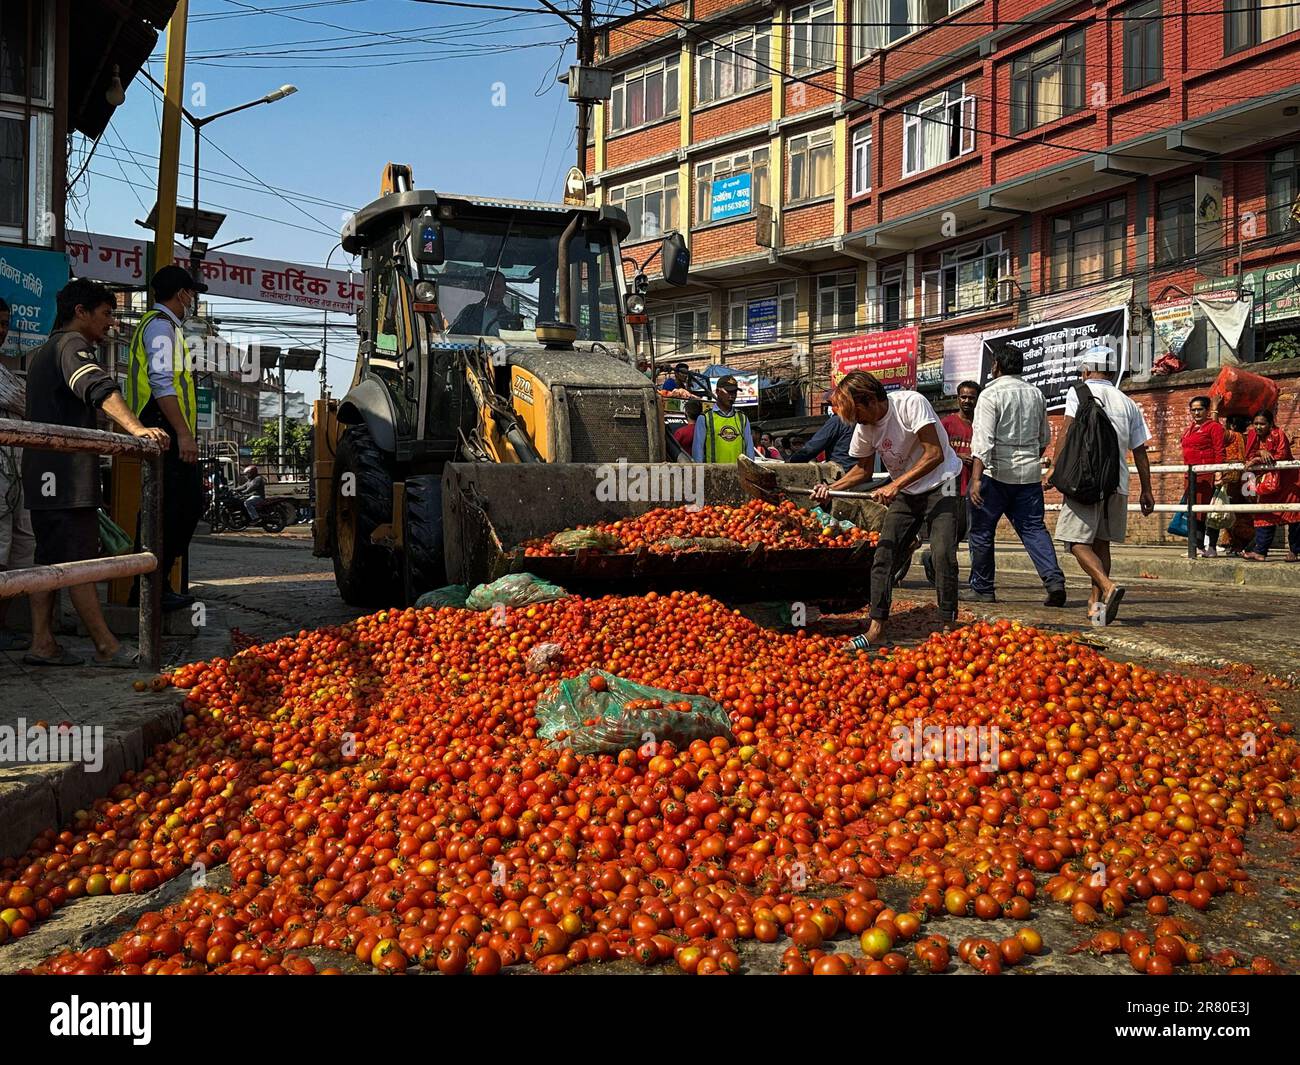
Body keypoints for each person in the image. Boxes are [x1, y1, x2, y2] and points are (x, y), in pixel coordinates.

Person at [22, 280, 171, 667]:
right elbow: (98, 389)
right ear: (81, 312)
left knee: (49, 560)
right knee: (79, 560)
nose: (110, 323)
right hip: (66, 475)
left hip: (42, 473)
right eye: (105, 314)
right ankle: (107, 645)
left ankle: (42, 642)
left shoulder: (42, 352)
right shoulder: (72, 346)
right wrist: (137, 431)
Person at [811, 371, 962, 647]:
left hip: (943, 483)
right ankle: (877, 628)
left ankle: (949, 623)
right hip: (907, 490)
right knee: (883, 555)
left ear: (869, 400)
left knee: (942, 553)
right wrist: (829, 489)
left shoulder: (910, 404)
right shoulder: (864, 428)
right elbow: (863, 470)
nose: (859, 423)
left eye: (858, 414)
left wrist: (895, 484)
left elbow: (934, 454)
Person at [1052, 347, 1155, 626]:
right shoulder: (1128, 402)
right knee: (1101, 544)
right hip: (1117, 483)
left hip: (1085, 482)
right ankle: (1096, 610)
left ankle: (1107, 585)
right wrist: (1147, 490)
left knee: (1074, 541)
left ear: (1086, 370)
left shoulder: (1079, 392)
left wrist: (1055, 468)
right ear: (1112, 372)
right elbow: (1140, 451)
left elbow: (1067, 431)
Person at [126, 264, 206, 612]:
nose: (192, 300)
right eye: (191, 294)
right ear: (182, 294)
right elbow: (162, 385)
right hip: (163, 426)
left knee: (168, 508)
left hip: (162, 425)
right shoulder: (160, 329)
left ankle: (152, 587)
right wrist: (184, 434)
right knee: (176, 508)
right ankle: (150, 587)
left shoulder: (162, 327)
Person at [966, 353, 1067, 606]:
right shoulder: (1036, 394)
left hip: (995, 475)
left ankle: (983, 588)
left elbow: (983, 441)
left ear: (997, 366)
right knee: (1034, 529)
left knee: (981, 532)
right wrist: (1029, 461)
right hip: (1029, 477)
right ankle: (1054, 580)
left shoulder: (990, 394)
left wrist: (975, 479)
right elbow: (1044, 438)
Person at [917, 380, 983, 587]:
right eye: (963, 397)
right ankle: (940, 568)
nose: (967, 401)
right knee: (949, 534)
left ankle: (937, 562)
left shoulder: (981, 425)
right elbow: (932, 450)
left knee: (969, 533)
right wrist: (958, 456)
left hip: (973, 487)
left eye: (971, 397)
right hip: (949, 485)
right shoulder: (946, 424)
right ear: (957, 398)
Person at [0, 296, 37, 651]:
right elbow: (26, 402)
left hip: (19, 469)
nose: (1, 331)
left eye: (4, 324)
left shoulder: (5, 371)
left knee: (22, 547)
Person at [1242, 408, 1300, 562]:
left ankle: (1294, 552)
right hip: (1267, 483)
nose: (1259, 427)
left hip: (1289, 482)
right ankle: (1260, 551)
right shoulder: (1253, 435)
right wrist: (1261, 453)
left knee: (1294, 515)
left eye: (1262, 424)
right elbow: (1248, 456)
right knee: (1264, 514)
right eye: (1256, 424)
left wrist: (1259, 458)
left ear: (1270, 424)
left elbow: (1282, 455)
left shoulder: (1278, 434)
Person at [1180, 395, 1226, 558]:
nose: (1196, 413)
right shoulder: (1189, 429)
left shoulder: (1214, 427)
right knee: (1194, 513)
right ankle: (1197, 546)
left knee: (1210, 512)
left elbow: (1219, 450)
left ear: (1207, 411)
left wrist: (1218, 472)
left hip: (1208, 475)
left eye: (1200, 409)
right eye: (1193, 410)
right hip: (1191, 476)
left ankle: (1211, 547)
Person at [693, 375, 755, 463]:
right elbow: (698, 453)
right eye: (729, 392)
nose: (732, 396)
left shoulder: (742, 418)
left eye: (734, 392)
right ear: (718, 391)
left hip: (739, 474)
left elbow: (749, 451)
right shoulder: (705, 418)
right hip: (714, 474)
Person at [1217, 414, 1255, 556]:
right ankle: (1246, 545)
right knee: (1248, 510)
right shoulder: (1250, 437)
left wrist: (1214, 410)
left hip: (1234, 478)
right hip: (1250, 477)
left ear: (1232, 426)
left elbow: (1216, 432)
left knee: (1232, 512)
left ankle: (1237, 546)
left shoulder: (1232, 436)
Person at [449, 272, 521, 337]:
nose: (494, 290)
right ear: (483, 288)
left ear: (505, 289)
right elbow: (453, 336)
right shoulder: (469, 312)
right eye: (490, 286)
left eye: (498, 286)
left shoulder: (512, 318)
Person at [786, 412, 855, 473]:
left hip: (842, 471)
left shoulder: (837, 421)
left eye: (833, 404)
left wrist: (792, 460)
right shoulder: (858, 420)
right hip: (855, 470)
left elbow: (813, 448)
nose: (832, 409)